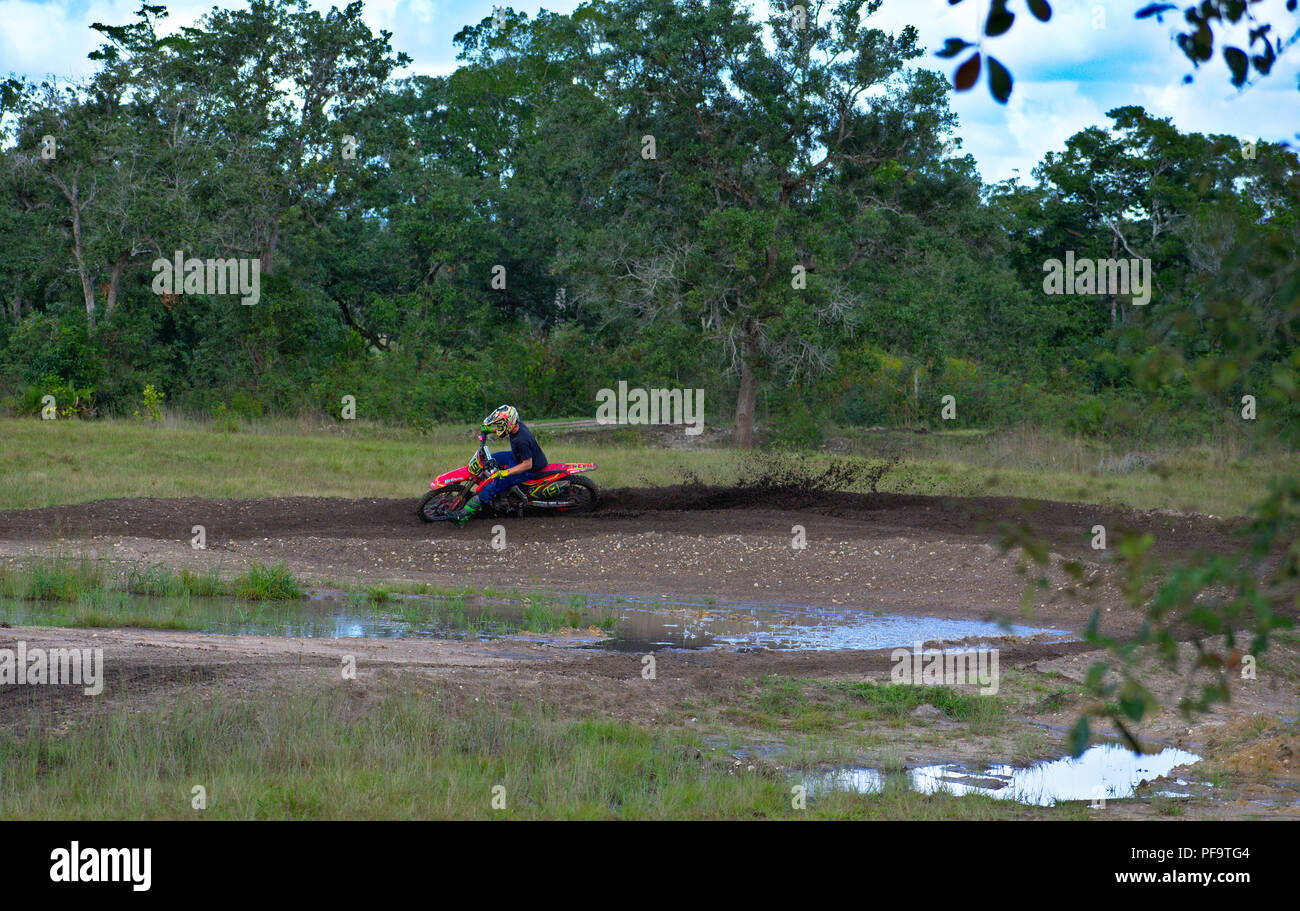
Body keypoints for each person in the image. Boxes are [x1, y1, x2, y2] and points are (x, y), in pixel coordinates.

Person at [449, 405, 548, 526]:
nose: (499, 427)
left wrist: (506, 472)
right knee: (491, 458)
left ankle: (462, 516)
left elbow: (527, 464)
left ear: (509, 423)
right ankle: (501, 492)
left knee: (491, 487)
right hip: (517, 457)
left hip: (528, 468)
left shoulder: (521, 440)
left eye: (500, 425)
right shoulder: (516, 426)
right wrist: (490, 430)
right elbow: (504, 430)